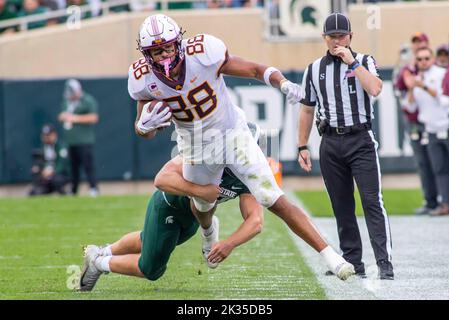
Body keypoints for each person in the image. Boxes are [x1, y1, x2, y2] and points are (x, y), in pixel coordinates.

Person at [127, 14, 355, 281]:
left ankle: (331, 256)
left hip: (232, 134)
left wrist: (282, 83)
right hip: (195, 146)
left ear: (179, 43)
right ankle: (209, 230)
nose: (163, 56)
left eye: (166, 47)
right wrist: (144, 127)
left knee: (272, 197)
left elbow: (255, 70)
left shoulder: (203, 52)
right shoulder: (141, 78)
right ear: (145, 53)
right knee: (203, 204)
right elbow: (143, 129)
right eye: (155, 51)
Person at [78, 148, 263, 291]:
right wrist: (200, 191)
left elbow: (255, 221)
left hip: (193, 217)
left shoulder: (247, 173)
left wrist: (229, 244)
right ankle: (98, 263)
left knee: (148, 240)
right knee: (151, 269)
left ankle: (102, 252)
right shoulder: (204, 152)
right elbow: (161, 179)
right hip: (169, 207)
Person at [297, 13, 393, 280]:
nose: (337, 40)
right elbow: (306, 109)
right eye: (332, 36)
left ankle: (384, 262)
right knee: (341, 204)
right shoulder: (314, 69)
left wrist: (352, 62)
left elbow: (375, 88)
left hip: (360, 140)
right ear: (324, 38)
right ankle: (353, 260)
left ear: (351, 36)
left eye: (342, 35)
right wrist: (302, 145)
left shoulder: (364, 61)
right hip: (330, 142)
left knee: (372, 202)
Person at [394, 33, 438, 215]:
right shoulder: (407, 70)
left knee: (439, 162)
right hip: (415, 121)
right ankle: (430, 200)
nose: (419, 45)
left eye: (421, 42)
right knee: (423, 162)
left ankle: (443, 199)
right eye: (416, 43)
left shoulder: (437, 68)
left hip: (436, 121)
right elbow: (400, 90)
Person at [404, 47, 449, 216]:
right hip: (430, 128)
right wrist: (411, 88)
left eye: (426, 58)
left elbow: (442, 98)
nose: (423, 61)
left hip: (446, 125)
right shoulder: (416, 78)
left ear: (432, 59)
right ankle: (445, 203)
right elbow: (410, 106)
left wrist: (422, 85)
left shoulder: (442, 73)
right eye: (420, 59)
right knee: (439, 169)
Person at [58, 79, 99, 197]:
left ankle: (93, 188)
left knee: (88, 166)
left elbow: (93, 117)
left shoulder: (87, 101)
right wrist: (63, 116)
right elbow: (62, 115)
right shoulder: (67, 102)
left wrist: (74, 118)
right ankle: (74, 189)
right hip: (70, 141)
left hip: (84, 141)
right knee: (73, 168)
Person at [29, 124, 69, 196]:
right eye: (45, 135)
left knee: (57, 180)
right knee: (34, 192)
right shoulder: (43, 147)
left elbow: (62, 163)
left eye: (48, 135)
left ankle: (64, 193)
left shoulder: (60, 146)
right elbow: (41, 162)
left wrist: (52, 171)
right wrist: (39, 169)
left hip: (59, 175)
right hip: (46, 177)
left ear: (54, 135)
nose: (46, 137)